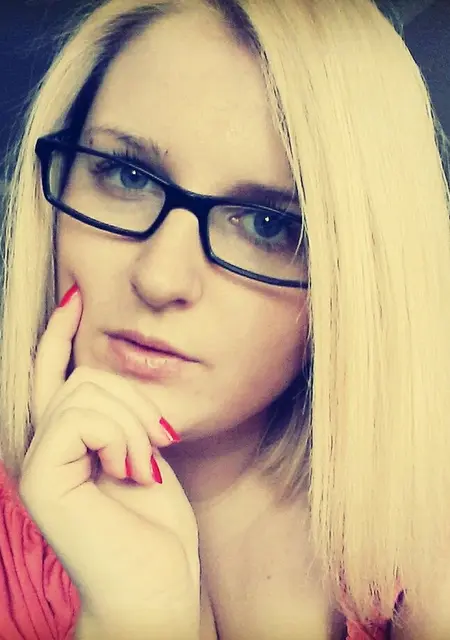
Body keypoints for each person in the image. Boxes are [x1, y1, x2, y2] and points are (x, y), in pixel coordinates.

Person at [0, 0, 449, 637]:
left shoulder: (423, 553)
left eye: (266, 224)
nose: (160, 279)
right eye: (127, 176)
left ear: (361, 280)